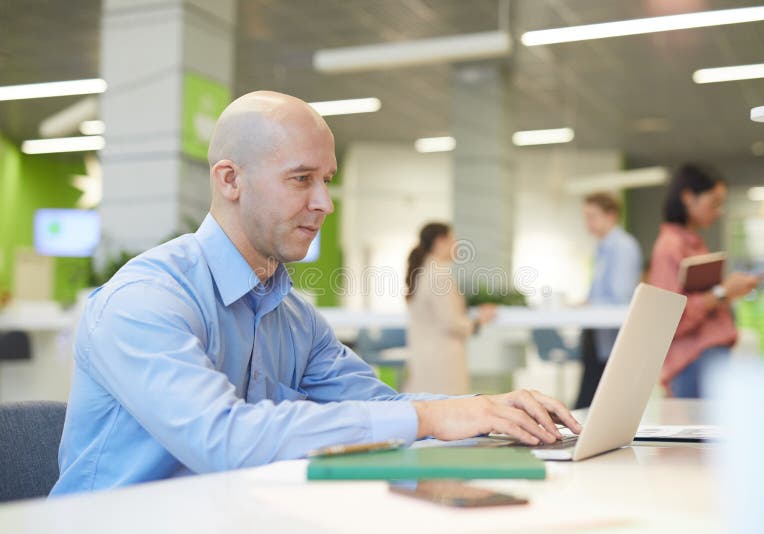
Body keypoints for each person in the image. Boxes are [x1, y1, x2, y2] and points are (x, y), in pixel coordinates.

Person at [51, 91, 581, 495]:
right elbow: (224, 440)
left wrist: (485, 409)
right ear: (230, 180)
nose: (325, 203)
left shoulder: (293, 317)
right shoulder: (146, 299)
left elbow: (382, 408)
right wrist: (433, 417)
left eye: (326, 180)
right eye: (301, 179)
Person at [648, 164, 760, 398]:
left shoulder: (694, 244)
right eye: (715, 202)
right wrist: (721, 292)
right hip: (694, 361)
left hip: (707, 357)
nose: (719, 211)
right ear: (689, 197)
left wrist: (730, 292)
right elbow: (669, 320)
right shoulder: (669, 247)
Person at [403, 223, 496, 395]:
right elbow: (450, 323)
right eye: (453, 240)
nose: (456, 245)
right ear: (440, 242)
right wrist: (479, 321)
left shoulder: (423, 271)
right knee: (446, 406)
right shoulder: (439, 276)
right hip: (442, 361)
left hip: (425, 357)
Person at [574, 193, 642, 409]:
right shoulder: (602, 248)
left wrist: (591, 304)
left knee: (597, 402)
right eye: (586, 217)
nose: (588, 224)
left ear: (611, 215)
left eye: (592, 217)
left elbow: (621, 296)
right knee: (590, 400)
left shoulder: (623, 246)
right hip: (597, 335)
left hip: (612, 338)